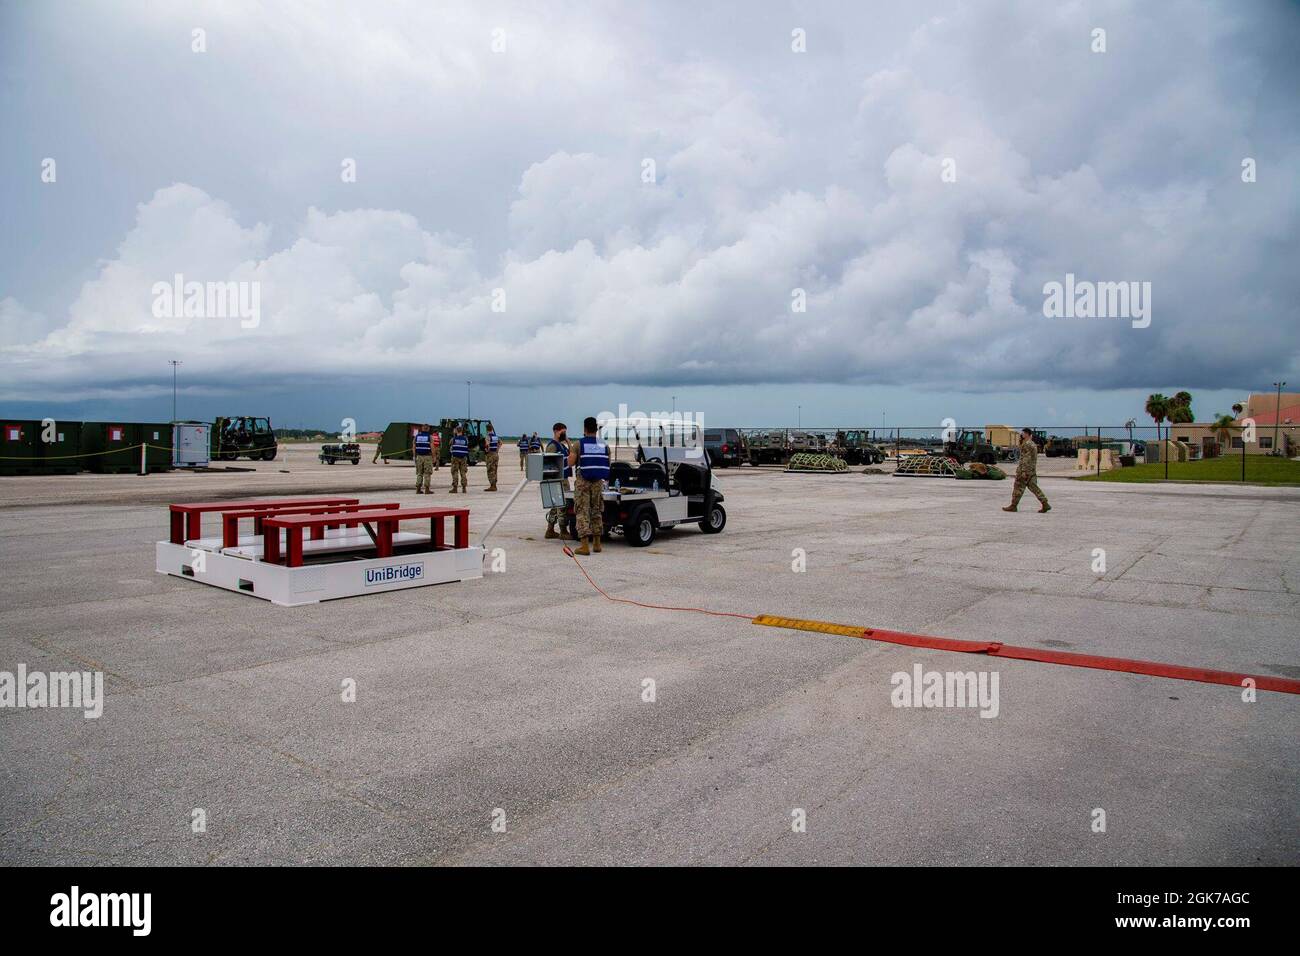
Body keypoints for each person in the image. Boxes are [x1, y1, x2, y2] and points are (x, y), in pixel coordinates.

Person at [568, 416, 609, 555]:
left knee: (581, 511)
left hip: (583, 482)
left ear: (584, 429)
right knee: (596, 510)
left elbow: (571, 463)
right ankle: (597, 544)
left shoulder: (578, 444)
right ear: (596, 429)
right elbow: (607, 464)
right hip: (598, 482)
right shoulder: (604, 445)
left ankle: (584, 546)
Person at [1003, 427, 1050, 513]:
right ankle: (1045, 503)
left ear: (1027, 434)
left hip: (1025, 470)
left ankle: (1013, 506)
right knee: (1034, 487)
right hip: (1031, 470)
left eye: (1023, 433)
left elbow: (1026, 458)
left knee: (1018, 487)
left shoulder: (1027, 444)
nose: (1022, 434)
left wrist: (1023, 471)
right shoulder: (1032, 444)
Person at [544, 422, 572, 539]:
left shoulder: (562, 446)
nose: (564, 434)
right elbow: (549, 464)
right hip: (558, 479)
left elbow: (571, 456)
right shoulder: (553, 446)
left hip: (563, 478)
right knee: (562, 505)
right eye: (563, 432)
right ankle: (563, 530)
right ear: (556, 431)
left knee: (556, 505)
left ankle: (550, 530)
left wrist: (569, 443)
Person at [413, 424, 434, 494]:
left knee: (419, 473)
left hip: (419, 456)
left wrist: (414, 456)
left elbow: (414, 447)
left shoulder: (417, 436)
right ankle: (427, 489)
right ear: (428, 429)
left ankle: (418, 489)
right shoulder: (430, 437)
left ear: (422, 428)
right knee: (427, 473)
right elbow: (432, 447)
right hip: (427, 456)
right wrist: (434, 457)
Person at [448, 424, 469, 493]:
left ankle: (455, 487)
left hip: (455, 457)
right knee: (463, 472)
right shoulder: (465, 439)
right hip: (463, 457)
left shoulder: (453, 439)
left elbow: (450, 444)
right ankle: (464, 488)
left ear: (456, 431)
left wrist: (454, 435)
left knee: (455, 471)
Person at [484, 423, 500, 491]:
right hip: (496, 454)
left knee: (490, 470)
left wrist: (487, 450)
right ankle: (494, 485)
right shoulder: (495, 436)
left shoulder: (488, 436)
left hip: (490, 454)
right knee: (495, 469)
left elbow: (487, 445)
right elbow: (500, 443)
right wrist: (497, 449)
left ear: (487, 429)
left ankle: (492, 485)